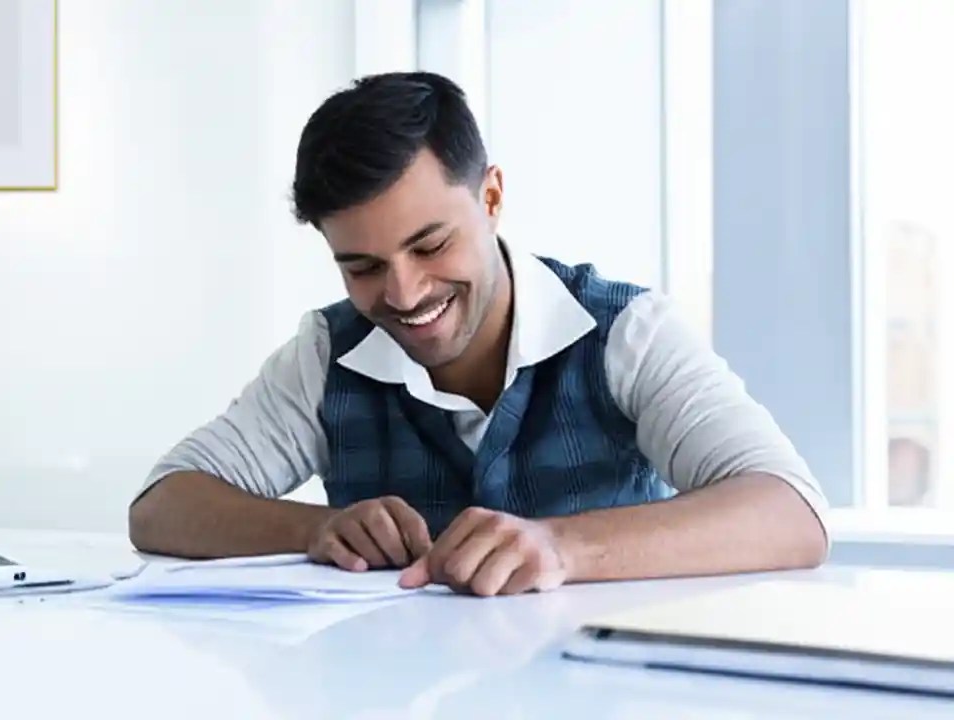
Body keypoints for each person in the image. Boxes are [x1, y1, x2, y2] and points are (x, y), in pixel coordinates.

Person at [128, 71, 828, 596]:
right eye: (363, 266)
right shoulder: (325, 354)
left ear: (490, 198)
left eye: (430, 245)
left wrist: (562, 548)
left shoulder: (627, 333)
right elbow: (163, 506)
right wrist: (311, 530)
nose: (404, 293)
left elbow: (791, 512)